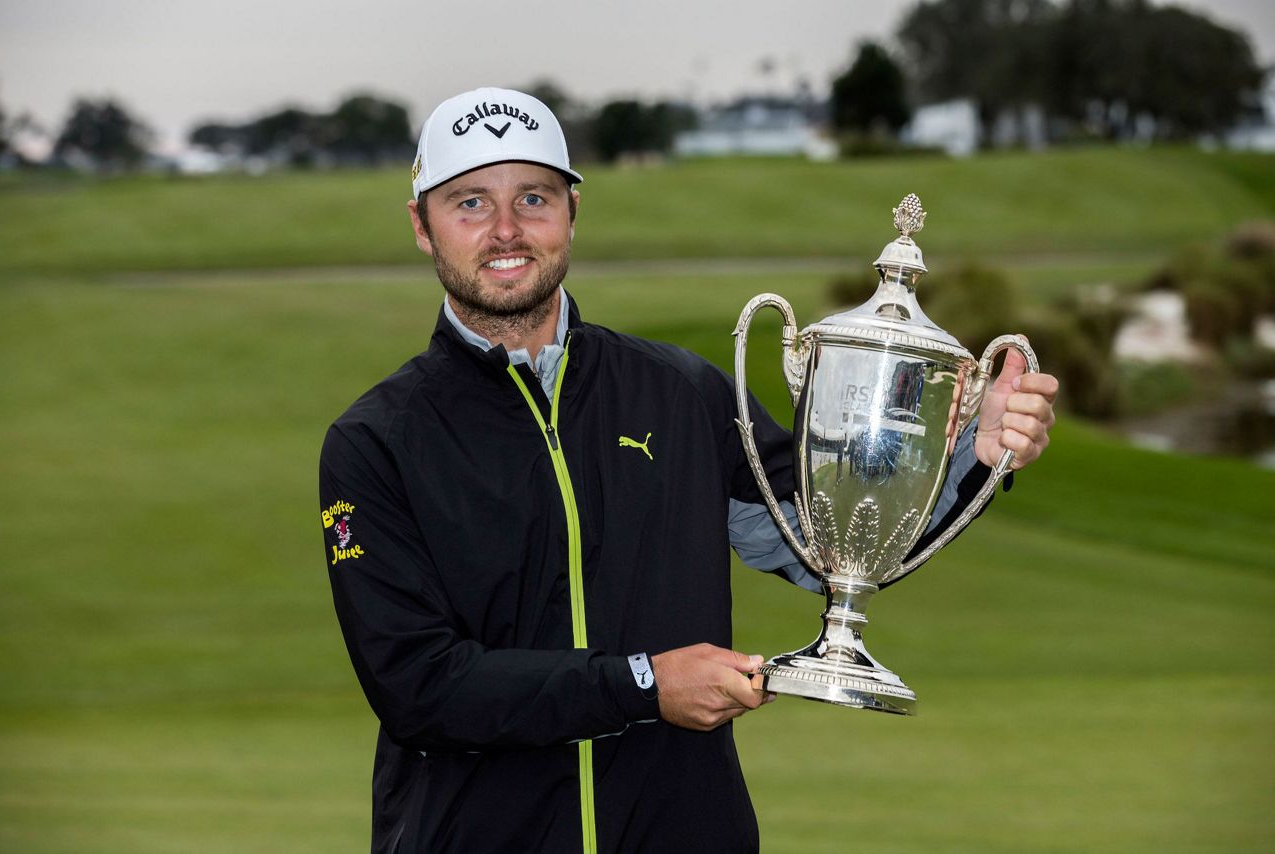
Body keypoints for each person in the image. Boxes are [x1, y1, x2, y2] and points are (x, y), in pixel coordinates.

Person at [319, 87, 1059, 854]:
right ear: (422, 224)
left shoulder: (682, 392)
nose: (506, 230)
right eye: (470, 202)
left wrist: (973, 451)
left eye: (532, 197)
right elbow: (421, 689)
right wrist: (644, 684)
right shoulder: (375, 443)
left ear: (572, 209)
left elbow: (826, 547)